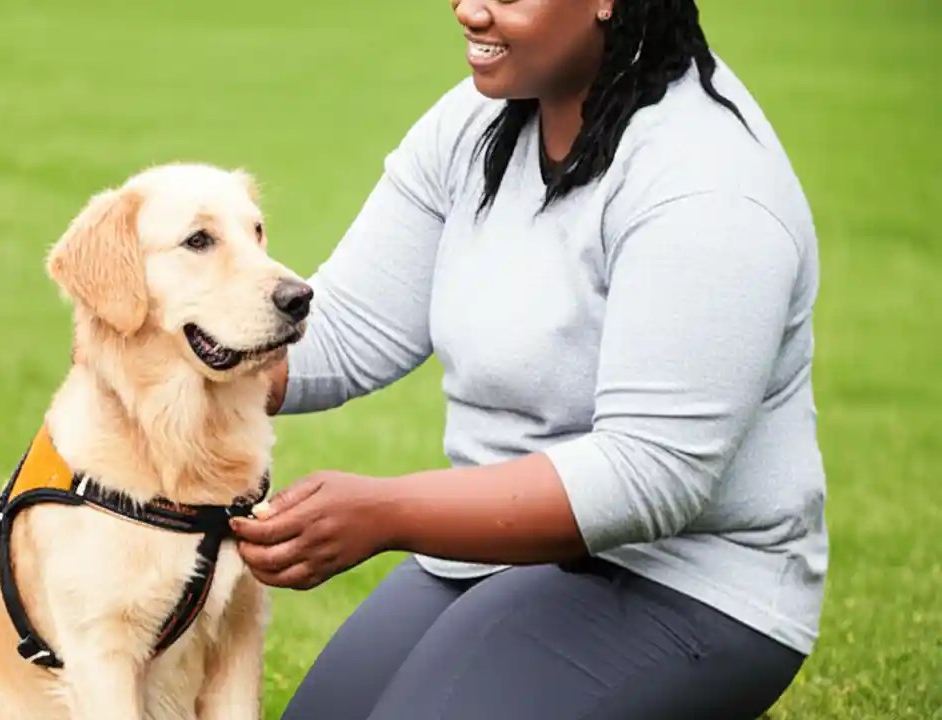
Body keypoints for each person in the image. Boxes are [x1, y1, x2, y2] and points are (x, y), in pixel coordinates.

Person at [228, 1, 827, 718]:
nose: (469, 9)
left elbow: (648, 475)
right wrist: (161, 366)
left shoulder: (707, 181)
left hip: (690, 585)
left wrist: (386, 513)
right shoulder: (478, 120)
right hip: (497, 552)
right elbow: (347, 328)